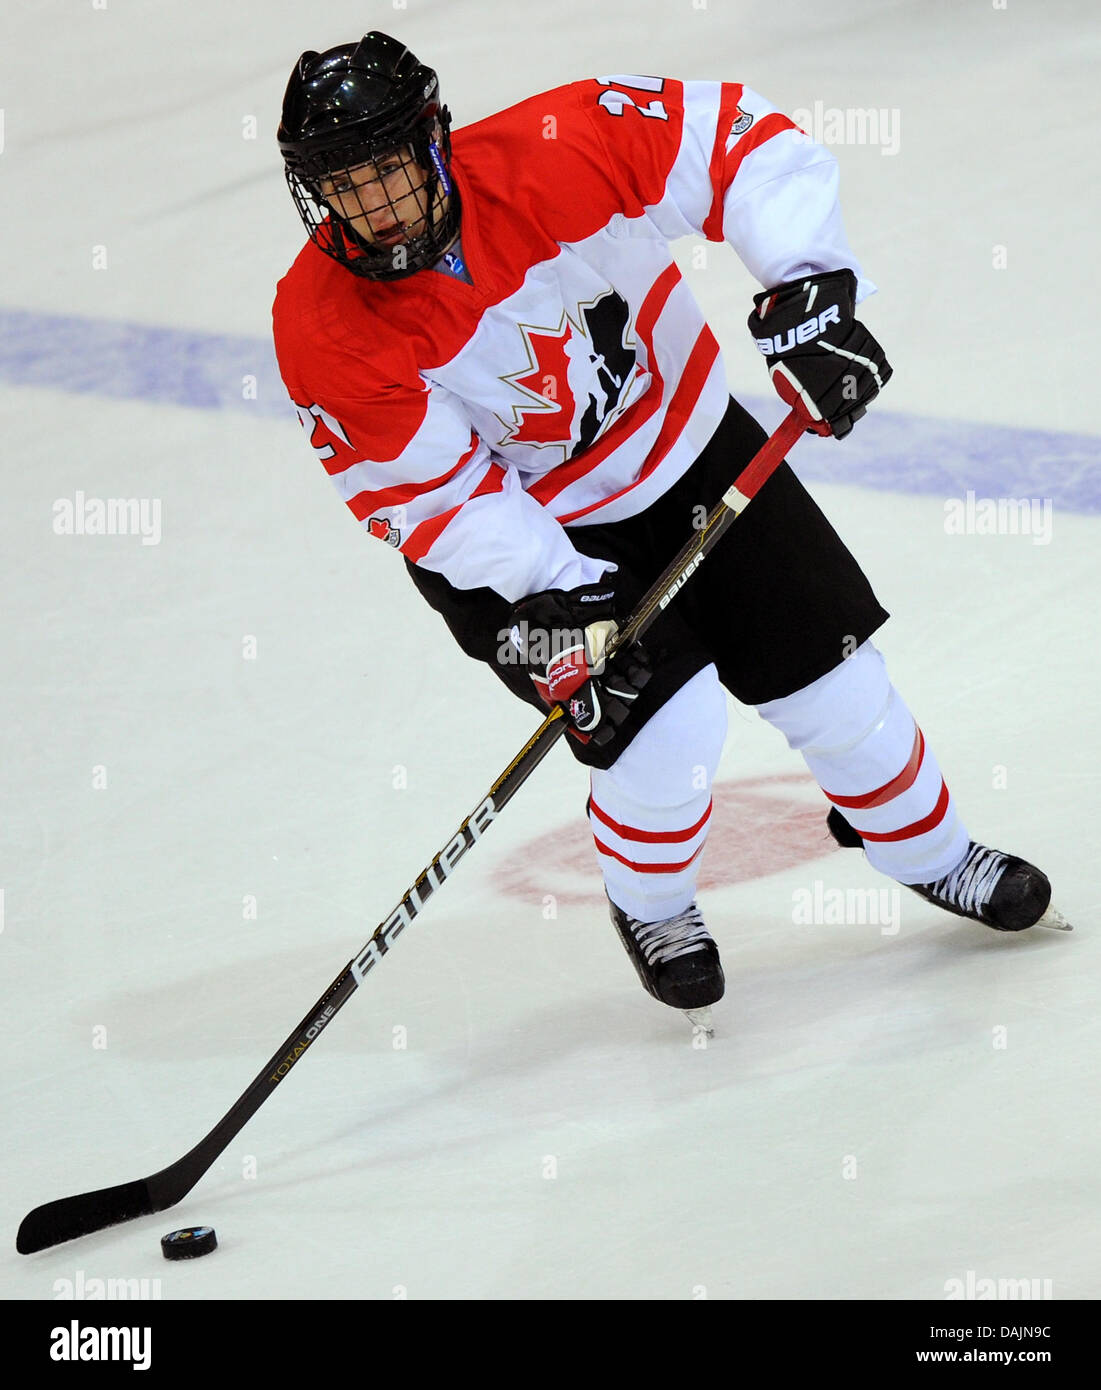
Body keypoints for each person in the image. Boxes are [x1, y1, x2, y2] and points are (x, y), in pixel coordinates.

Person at [272, 31, 1063, 1029]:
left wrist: (806, 293)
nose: (376, 210)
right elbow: (431, 496)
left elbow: (743, 142)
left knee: (842, 691)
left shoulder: (563, 144)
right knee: (669, 729)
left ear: (434, 139)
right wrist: (556, 585)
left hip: (693, 449)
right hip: (528, 542)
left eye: (388, 171)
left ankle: (935, 855)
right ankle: (653, 907)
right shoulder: (320, 325)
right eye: (346, 187)